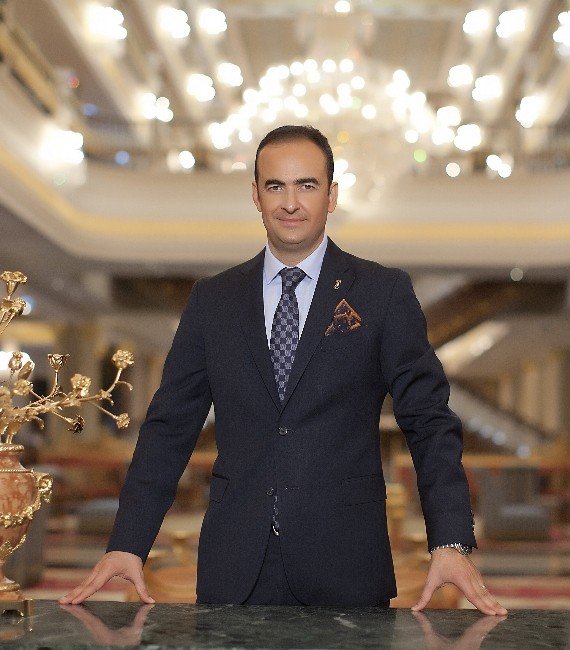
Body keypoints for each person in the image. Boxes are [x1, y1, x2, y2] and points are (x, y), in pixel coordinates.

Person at [61, 125, 507, 615]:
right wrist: (128, 542)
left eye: (306, 185)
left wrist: (450, 540)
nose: (290, 203)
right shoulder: (213, 301)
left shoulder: (382, 293)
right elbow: (170, 427)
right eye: (275, 186)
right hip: (234, 566)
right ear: (256, 195)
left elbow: (429, 421)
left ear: (331, 196)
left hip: (346, 563)